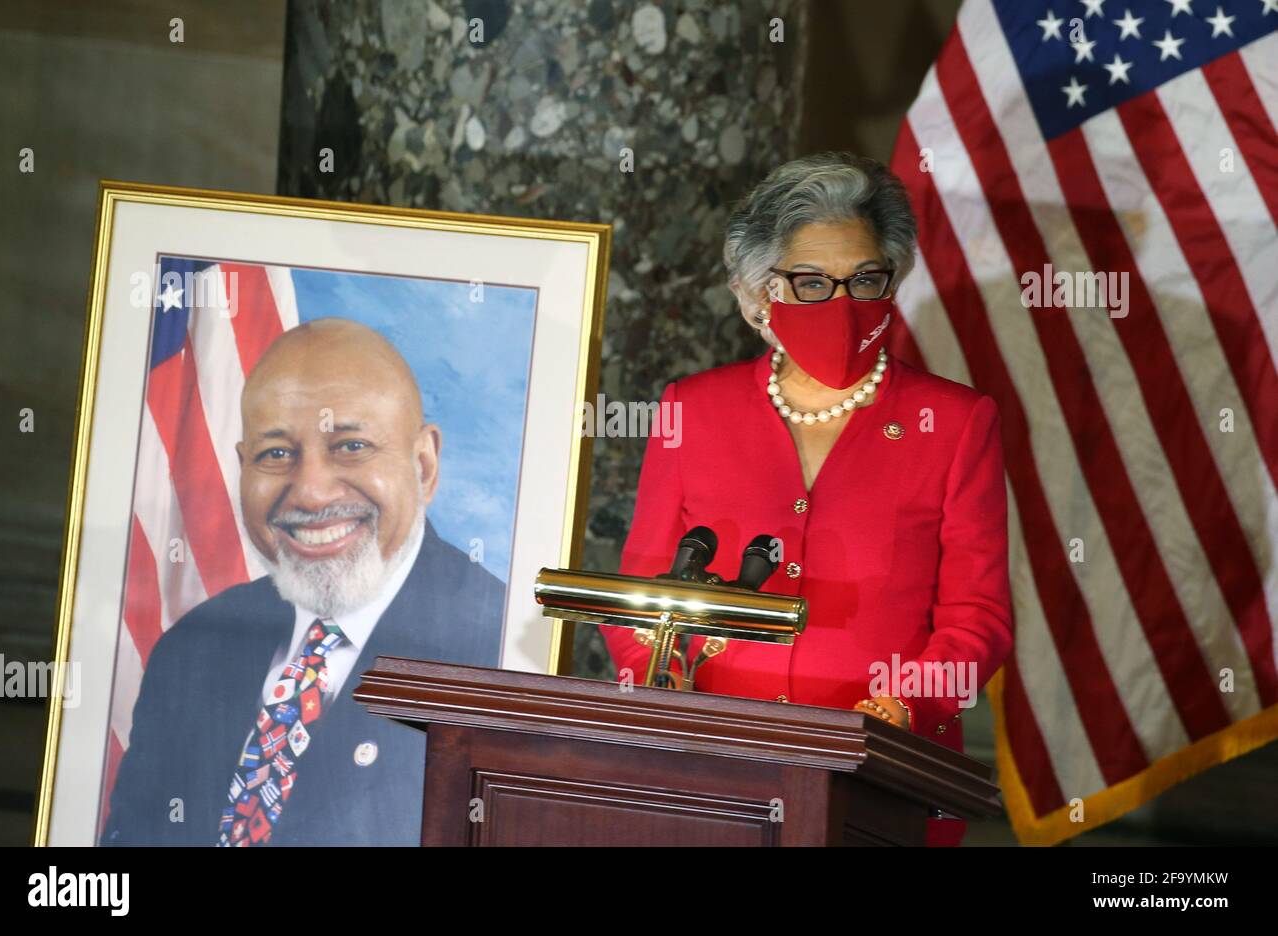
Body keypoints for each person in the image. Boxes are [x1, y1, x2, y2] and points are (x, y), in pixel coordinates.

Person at [600, 152, 1013, 847]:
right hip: (711, 768)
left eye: (865, 280)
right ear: (760, 294)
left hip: (885, 778)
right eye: (813, 283)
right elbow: (641, 592)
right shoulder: (692, 411)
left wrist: (909, 704)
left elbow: (980, 618)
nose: (843, 305)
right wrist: (665, 697)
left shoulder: (957, 421)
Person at [101, 318, 504, 845]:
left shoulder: (502, 657)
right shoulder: (193, 647)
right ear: (243, 467)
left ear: (423, 466)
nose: (311, 492)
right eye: (276, 454)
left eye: (351, 446)